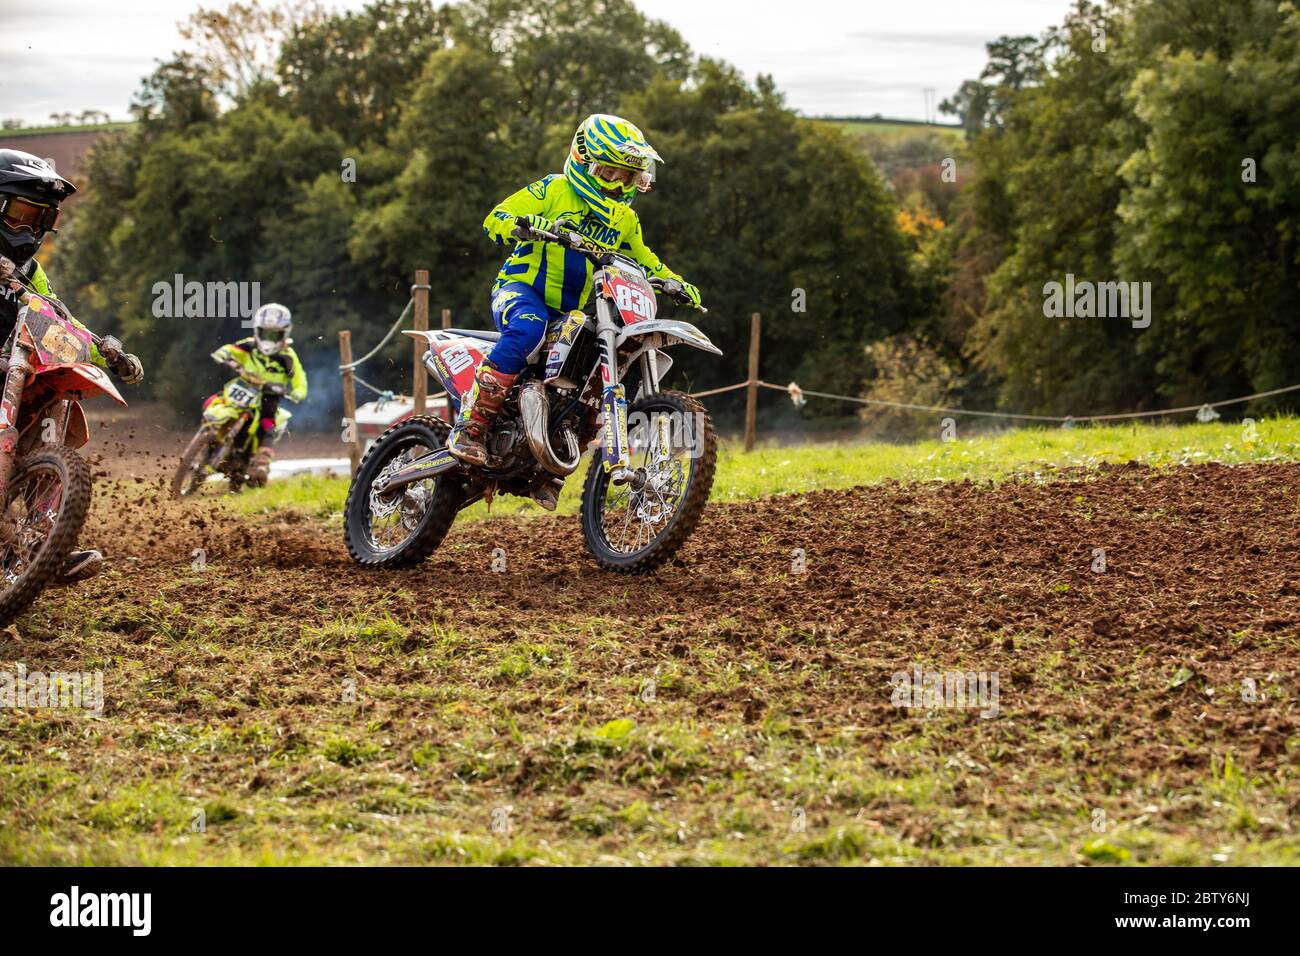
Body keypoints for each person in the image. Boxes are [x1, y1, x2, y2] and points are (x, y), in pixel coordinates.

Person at [448, 113, 700, 508]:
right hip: (521, 291)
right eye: (612, 172)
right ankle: (472, 427)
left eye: (629, 176)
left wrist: (674, 281)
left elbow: (644, 260)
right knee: (528, 329)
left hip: (573, 310)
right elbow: (495, 217)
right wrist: (522, 224)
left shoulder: (624, 219)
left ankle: (549, 465)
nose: (620, 183)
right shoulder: (555, 189)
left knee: (593, 375)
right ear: (584, 161)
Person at [0, 148, 143, 580]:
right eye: (22, 214)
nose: (31, 229)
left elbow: (58, 314)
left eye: (42, 219)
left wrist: (107, 351)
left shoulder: (28, 270)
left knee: (57, 397)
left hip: (9, 368)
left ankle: (43, 542)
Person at [207, 303, 307, 483]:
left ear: (284, 333)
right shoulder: (250, 346)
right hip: (246, 386)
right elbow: (232, 349)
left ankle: (261, 463)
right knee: (217, 399)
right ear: (257, 331)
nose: (268, 339)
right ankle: (208, 432)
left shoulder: (287, 356)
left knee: (267, 422)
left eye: (273, 335)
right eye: (265, 333)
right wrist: (222, 354)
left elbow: (299, 379)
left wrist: (298, 392)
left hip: (270, 394)